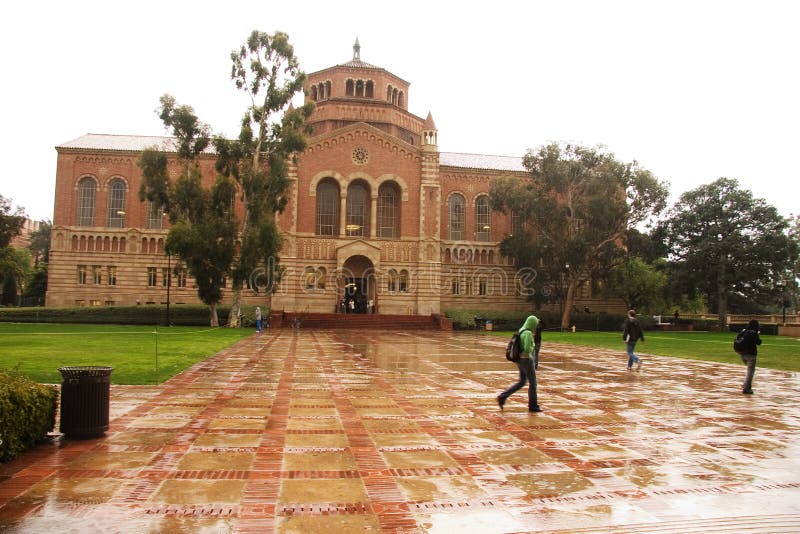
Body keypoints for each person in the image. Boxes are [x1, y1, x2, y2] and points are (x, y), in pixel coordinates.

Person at [497, 315, 541, 412]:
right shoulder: (528, 333)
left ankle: (502, 396)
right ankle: (533, 406)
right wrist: (532, 345)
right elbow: (527, 349)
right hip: (526, 360)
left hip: (519, 360)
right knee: (533, 383)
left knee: (521, 382)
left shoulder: (521, 330)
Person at [738, 319, 762, 394]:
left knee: (749, 371)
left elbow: (738, 338)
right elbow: (759, 342)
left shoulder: (744, 331)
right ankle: (747, 388)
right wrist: (757, 334)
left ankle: (745, 385)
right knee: (750, 372)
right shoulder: (753, 333)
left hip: (742, 354)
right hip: (751, 355)